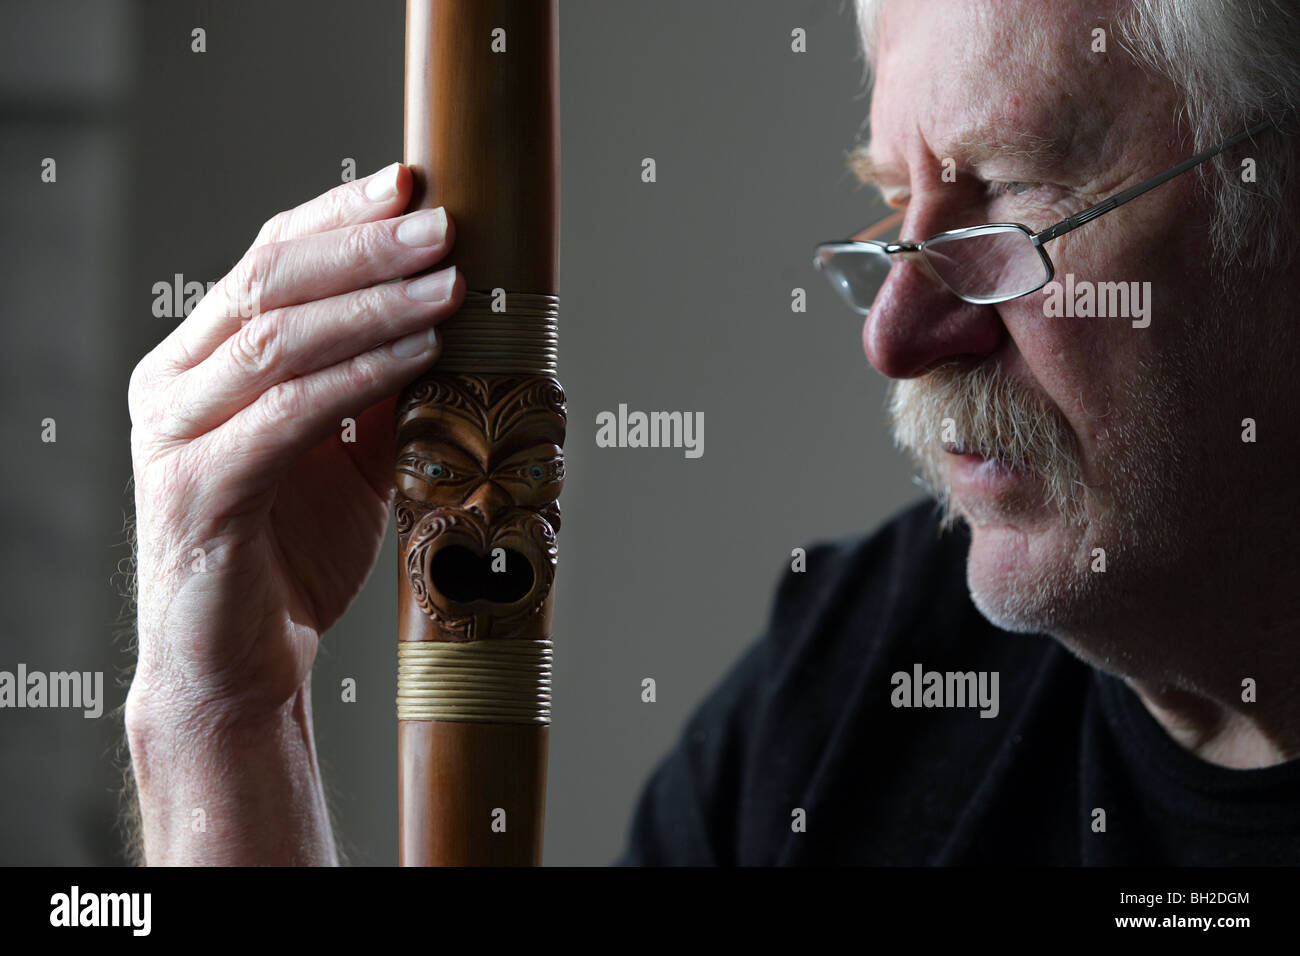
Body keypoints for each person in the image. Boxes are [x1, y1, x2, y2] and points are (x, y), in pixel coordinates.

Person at [126, 0, 1300, 865]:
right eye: (895, 206)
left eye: (1010, 196)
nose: (894, 333)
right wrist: (226, 727)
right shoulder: (846, 686)